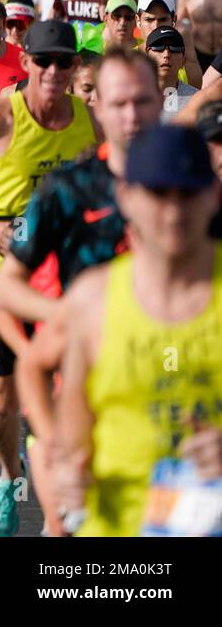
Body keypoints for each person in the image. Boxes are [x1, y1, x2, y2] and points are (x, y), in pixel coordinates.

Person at [0, 50, 162, 535]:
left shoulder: (191, 183)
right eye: (119, 103)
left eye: (143, 102)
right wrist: (73, 313)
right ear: (99, 109)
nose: (132, 115)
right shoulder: (67, 188)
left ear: (159, 103)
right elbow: (9, 290)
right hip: (86, 386)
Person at [0, 19, 99, 536]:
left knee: (65, 395)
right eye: (44, 61)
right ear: (27, 64)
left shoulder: (87, 120)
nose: (54, 71)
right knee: (2, 401)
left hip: (67, 282)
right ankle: (9, 479)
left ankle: (59, 514)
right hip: (4, 280)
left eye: (65, 62)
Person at [54, 125, 222, 537]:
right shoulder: (91, 300)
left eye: (187, 193)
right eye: (158, 194)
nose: (173, 212)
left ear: (213, 194)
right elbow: (73, 443)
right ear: (127, 198)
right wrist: (67, 477)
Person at [146, 26, 199, 120]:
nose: (166, 54)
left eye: (175, 48)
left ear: (183, 60)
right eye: (158, 47)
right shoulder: (131, 96)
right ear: (146, 56)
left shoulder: (196, 100)